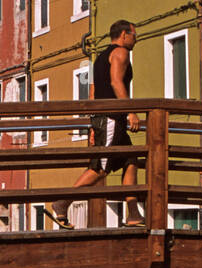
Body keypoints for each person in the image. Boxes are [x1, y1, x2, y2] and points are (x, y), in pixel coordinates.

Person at [45, 19, 144, 229]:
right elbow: (116, 82)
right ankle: (63, 203)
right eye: (134, 35)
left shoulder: (99, 57)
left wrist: (92, 124)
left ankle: (134, 213)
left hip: (103, 118)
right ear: (124, 35)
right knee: (100, 168)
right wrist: (131, 112)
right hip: (111, 118)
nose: (136, 39)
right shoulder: (121, 53)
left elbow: (92, 91)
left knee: (131, 160)